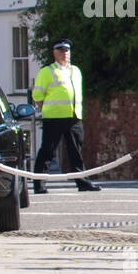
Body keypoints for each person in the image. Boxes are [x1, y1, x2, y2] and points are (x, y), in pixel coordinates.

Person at [31, 39, 100, 193]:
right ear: (55, 53)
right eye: (61, 50)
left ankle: (82, 182)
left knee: (76, 151)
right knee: (48, 151)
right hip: (54, 117)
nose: (65, 53)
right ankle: (39, 184)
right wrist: (49, 109)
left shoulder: (75, 71)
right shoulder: (47, 71)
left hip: (74, 116)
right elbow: (37, 96)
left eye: (67, 50)